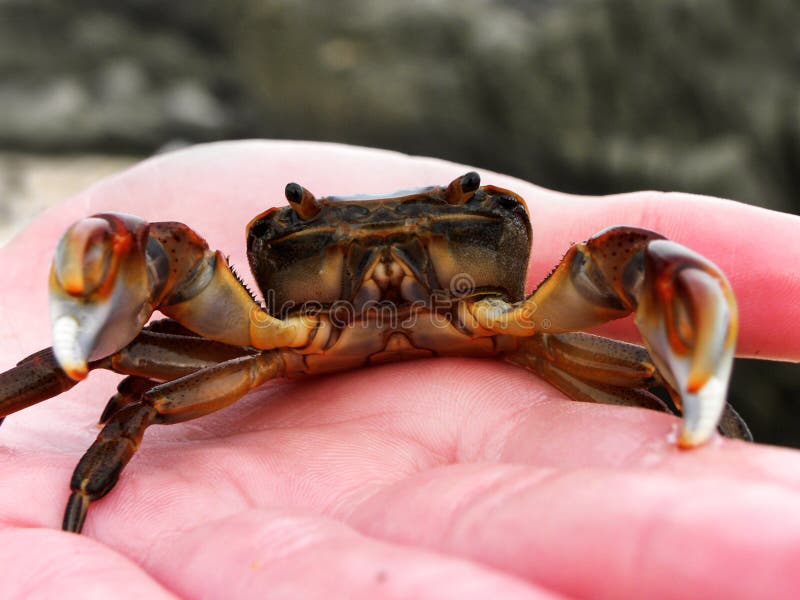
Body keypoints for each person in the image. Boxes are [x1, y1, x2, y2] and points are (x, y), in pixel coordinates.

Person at [0, 141, 798, 599]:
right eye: (317, 235)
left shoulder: (551, 308)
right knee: (115, 366)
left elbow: (645, 289)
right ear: (283, 237)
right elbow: (114, 357)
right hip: (284, 336)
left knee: (655, 376)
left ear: (493, 223)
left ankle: (716, 450)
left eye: (453, 221)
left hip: (495, 320)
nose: (388, 268)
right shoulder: (245, 324)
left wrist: (701, 413)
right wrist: (97, 360)